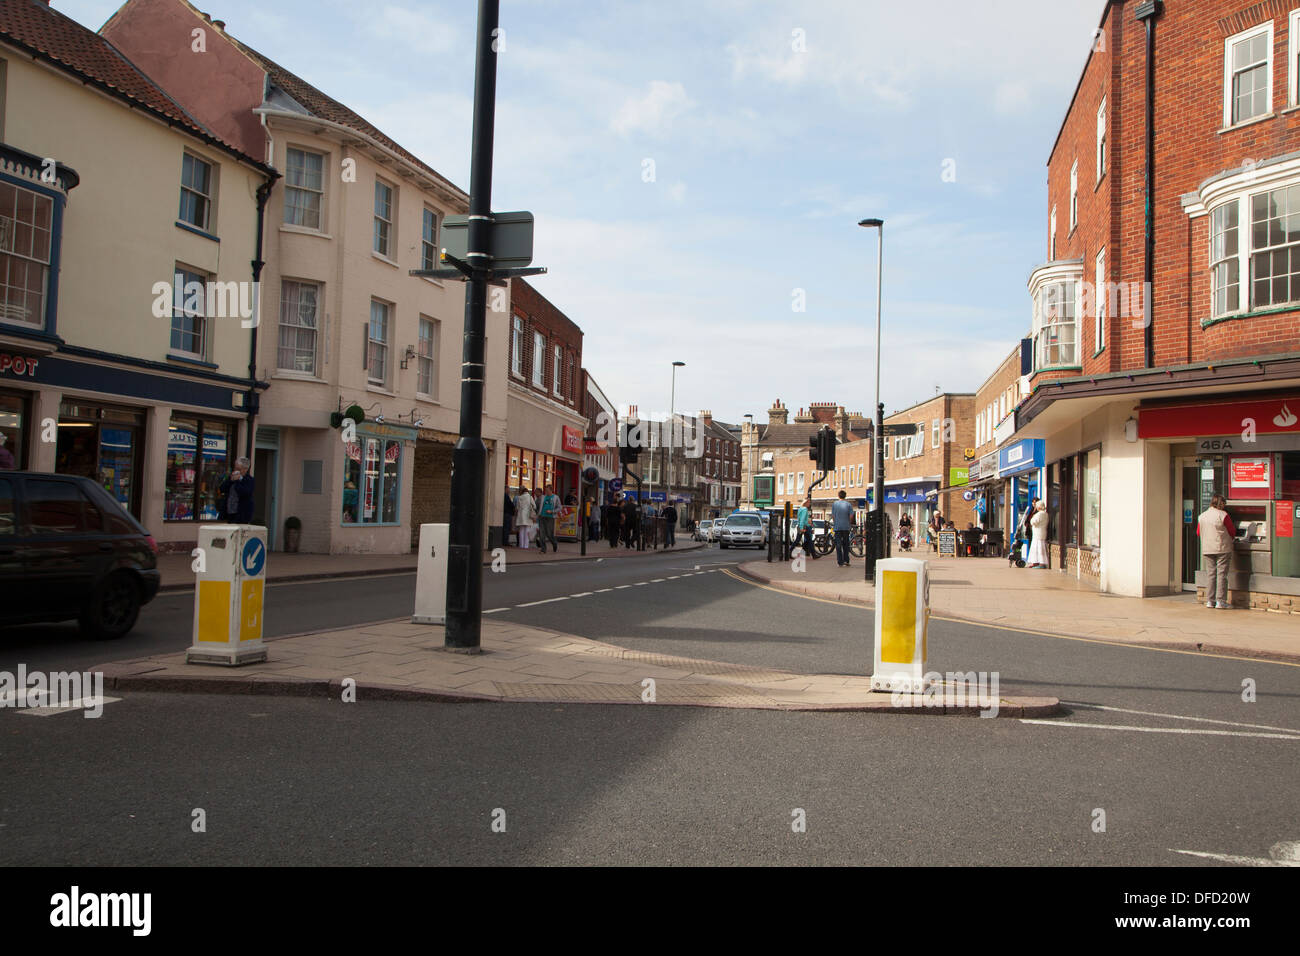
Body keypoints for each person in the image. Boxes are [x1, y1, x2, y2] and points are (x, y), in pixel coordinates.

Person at [1197, 494, 1237, 609]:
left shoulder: (1202, 516)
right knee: (1221, 575)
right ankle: (1220, 601)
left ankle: (1210, 601)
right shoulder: (1223, 515)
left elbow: (1199, 532)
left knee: (1211, 574)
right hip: (1222, 547)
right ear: (1222, 504)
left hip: (1207, 548)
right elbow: (1232, 531)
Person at [219, 456, 255, 524]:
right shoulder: (231, 477)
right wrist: (230, 481)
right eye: (235, 468)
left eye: (238, 469)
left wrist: (238, 481)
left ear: (245, 469)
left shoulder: (249, 480)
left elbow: (244, 493)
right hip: (228, 512)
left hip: (241, 514)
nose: (236, 470)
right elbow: (222, 489)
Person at [831, 490, 854, 566]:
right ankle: (846, 560)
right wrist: (849, 523)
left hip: (837, 527)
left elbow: (833, 516)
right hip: (846, 527)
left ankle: (840, 561)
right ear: (845, 496)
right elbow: (851, 516)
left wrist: (835, 523)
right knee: (846, 544)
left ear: (838, 496)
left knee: (838, 545)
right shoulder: (848, 504)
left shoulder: (835, 504)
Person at [536, 483, 560, 553]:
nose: (546, 492)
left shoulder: (556, 497)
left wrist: (552, 511)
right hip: (542, 517)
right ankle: (543, 549)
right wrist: (537, 515)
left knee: (549, 534)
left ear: (551, 490)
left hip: (550, 518)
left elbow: (559, 507)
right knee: (542, 534)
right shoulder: (543, 497)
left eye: (547, 490)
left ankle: (554, 543)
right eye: (545, 490)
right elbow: (537, 506)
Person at [1027, 500, 1049, 568]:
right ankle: (1036, 562)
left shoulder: (1039, 514)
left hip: (1038, 534)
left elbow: (1033, 522)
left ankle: (1041, 563)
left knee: (1038, 548)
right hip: (1041, 533)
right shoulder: (1045, 514)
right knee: (1038, 548)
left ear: (1038, 507)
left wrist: (1032, 519)